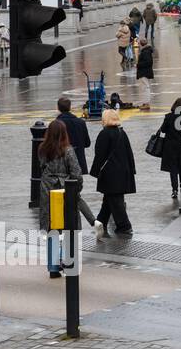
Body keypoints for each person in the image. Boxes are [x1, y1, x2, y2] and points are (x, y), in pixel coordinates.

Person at [39, 121, 99, 264]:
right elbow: (77, 174)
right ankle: (67, 261)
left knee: (51, 227)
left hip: (47, 190)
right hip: (64, 190)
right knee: (68, 227)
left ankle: (53, 265)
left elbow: (41, 167)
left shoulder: (42, 148)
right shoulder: (68, 150)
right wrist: (76, 191)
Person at [90, 107, 136, 237]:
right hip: (123, 172)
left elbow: (100, 155)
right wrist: (132, 170)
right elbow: (129, 153)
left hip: (110, 173)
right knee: (109, 199)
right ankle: (100, 222)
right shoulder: (122, 133)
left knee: (115, 200)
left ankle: (124, 226)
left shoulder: (104, 134)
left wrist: (95, 171)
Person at [158, 96, 181, 200]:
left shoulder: (169, 117)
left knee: (173, 170)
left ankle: (174, 189)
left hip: (170, 148)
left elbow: (163, 130)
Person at [54, 97, 91, 174]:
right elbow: (87, 143)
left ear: (58, 108)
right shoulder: (81, 122)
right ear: (70, 107)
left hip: (62, 164)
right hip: (79, 163)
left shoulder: (55, 124)